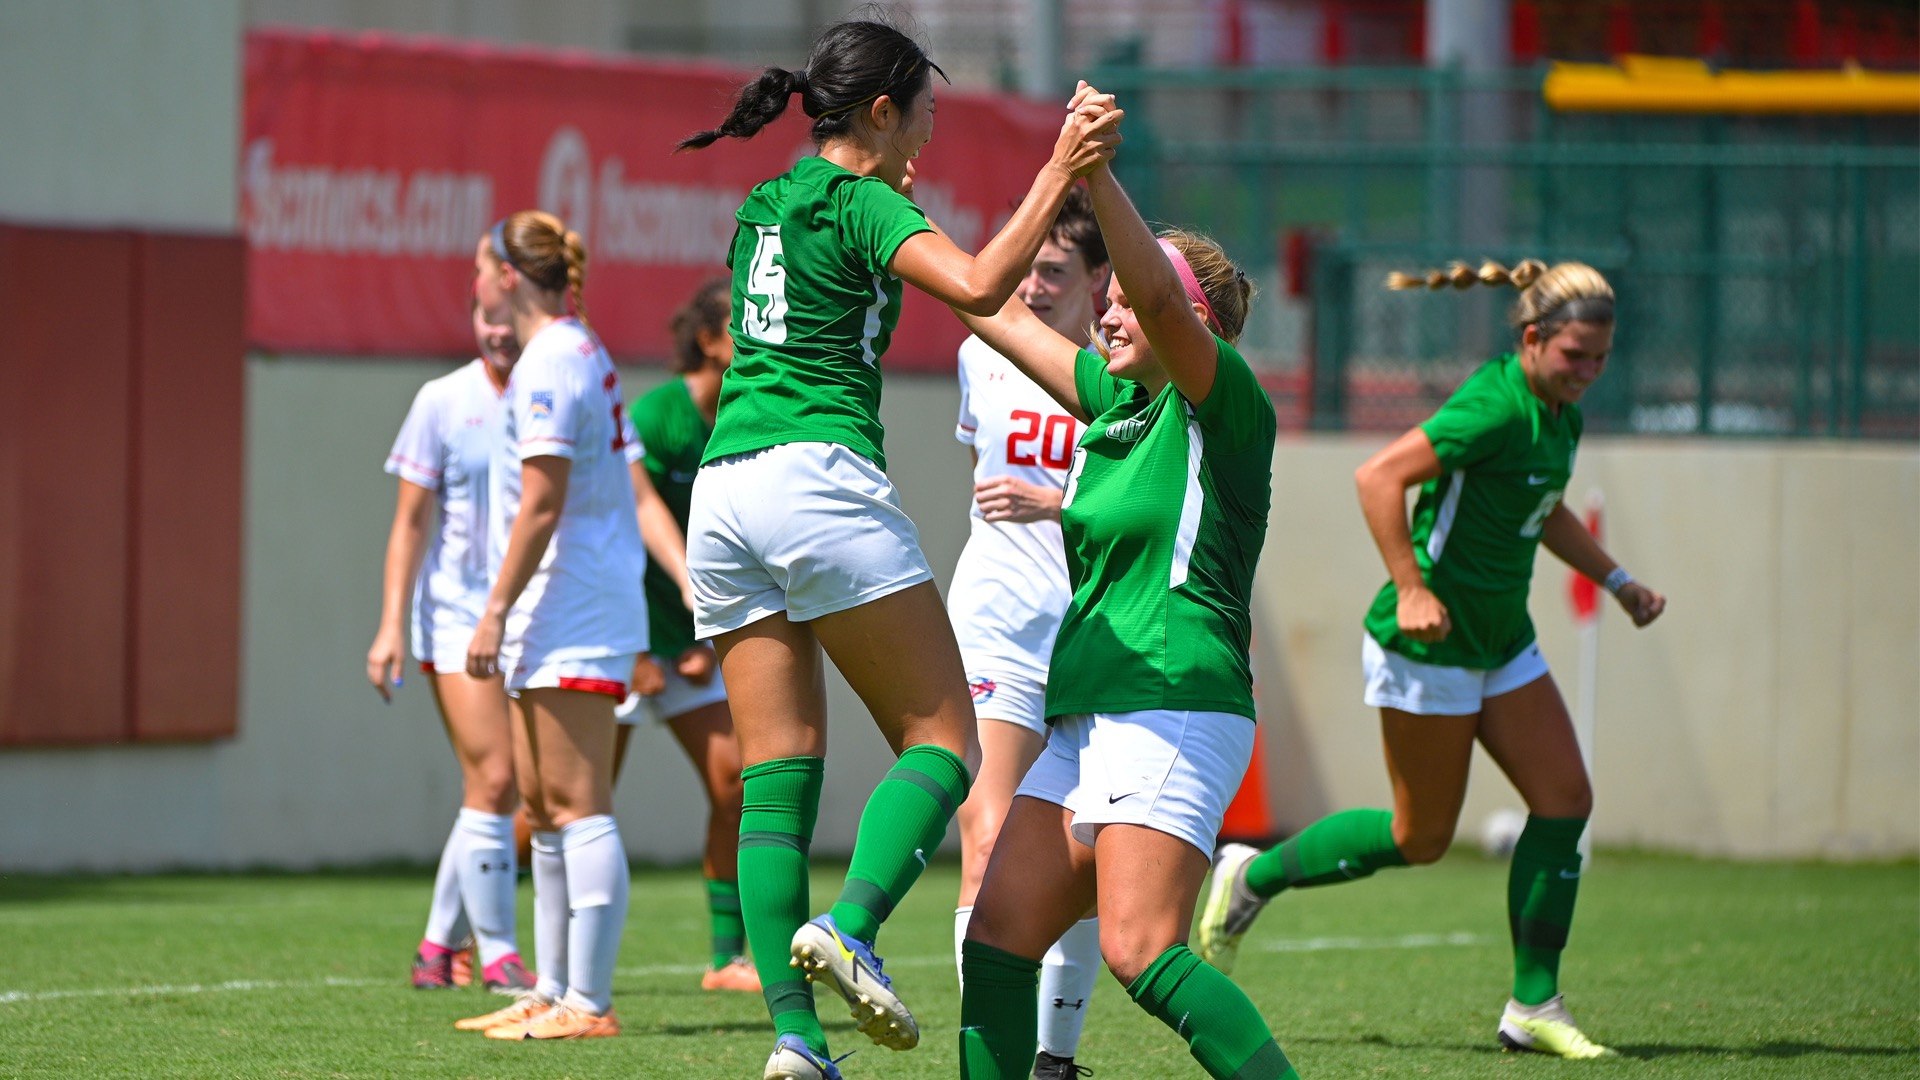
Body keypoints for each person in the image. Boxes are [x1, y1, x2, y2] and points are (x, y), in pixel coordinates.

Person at [674, 17, 1122, 1080]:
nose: (927, 134)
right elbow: (974, 287)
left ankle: (794, 1040)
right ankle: (857, 924)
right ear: (881, 111)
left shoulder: (766, 200)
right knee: (946, 741)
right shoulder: (867, 196)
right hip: (815, 478)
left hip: (725, 491)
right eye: (922, 111)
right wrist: (1059, 166)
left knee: (776, 779)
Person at [1195, 259, 1666, 1061]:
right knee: (1421, 839)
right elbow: (1379, 477)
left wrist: (1616, 579)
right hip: (1430, 643)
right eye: (1574, 355)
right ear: (1531, 339)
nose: (1587, 373)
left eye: (1600, 359)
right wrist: (1410, 587)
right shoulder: (1493, 404)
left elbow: (1540, 509)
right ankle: (1252, 875)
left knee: (1564, 801)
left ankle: (1533, 1005)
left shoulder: (1560, 416)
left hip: (1501, 641)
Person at [952, 152, 1300, 1079]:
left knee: (1140, 950)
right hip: (1090, 709)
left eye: (1125, 296)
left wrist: (1095, 175)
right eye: (1100, 295)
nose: (1107, 309)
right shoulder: (1119, 406)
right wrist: (883, 214)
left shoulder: (1221, 403)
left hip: (1172, 697)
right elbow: (986, 306)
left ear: (1197, 324)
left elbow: (1154, 286)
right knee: (994, 937)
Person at [451, 210, 652, 1042]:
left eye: (478, 268)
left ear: (506, 275)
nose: (473, 283)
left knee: (576, 803)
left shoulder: (552, 359)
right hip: (559, 602)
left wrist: (492, 610)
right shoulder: (565, 349)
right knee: (541, 799)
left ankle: (590, 1003)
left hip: (574, 602)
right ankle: (554, 989)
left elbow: (542, 502)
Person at [946, 186, 1108, 1080]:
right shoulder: (985, 352)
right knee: (988, 833)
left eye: (1053, 271)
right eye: (1028, 269)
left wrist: (1056, 503)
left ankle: (1053, 1059)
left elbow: (1152, 507)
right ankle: (989, 1059)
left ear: (1098, 280)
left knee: (1076, 852)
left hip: (1089, 637)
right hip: (997, 626)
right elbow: (983, 477)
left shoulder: (1126, 375)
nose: (1034, 287)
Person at [367, 299, 535, 996]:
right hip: (455, 617)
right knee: (496, 779)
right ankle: (496, 954)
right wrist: (389, 626)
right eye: (486, 315)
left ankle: (437, 946)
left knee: (504, 786)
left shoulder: (556, 389)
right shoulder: (440, 400)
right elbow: (409, 523)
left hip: (532, 613)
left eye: (511, 315)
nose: (498, 330)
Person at [611, 276, 758, 994]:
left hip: (689, 644)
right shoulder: (657, 416)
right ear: (707, 340)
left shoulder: (747, 414)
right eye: (745, 321)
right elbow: (617, 533)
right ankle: (465, 924)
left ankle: (728, 957)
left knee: (734, 782)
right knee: (566, 805)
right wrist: (635, 649)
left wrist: (706, 640)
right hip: (620, 639)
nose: (761, 330)